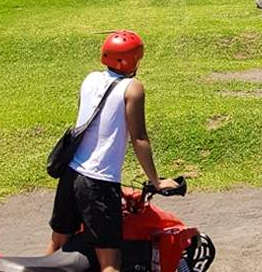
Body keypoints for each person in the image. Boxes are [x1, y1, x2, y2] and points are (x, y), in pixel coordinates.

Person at [47, 29, 178, 272]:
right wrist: (156, 182)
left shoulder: (90, 79)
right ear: (132, 60)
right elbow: (139, 137)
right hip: (99, 181)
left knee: (58, 245)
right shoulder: (132, 88)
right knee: (110, 261)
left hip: (71, 175)